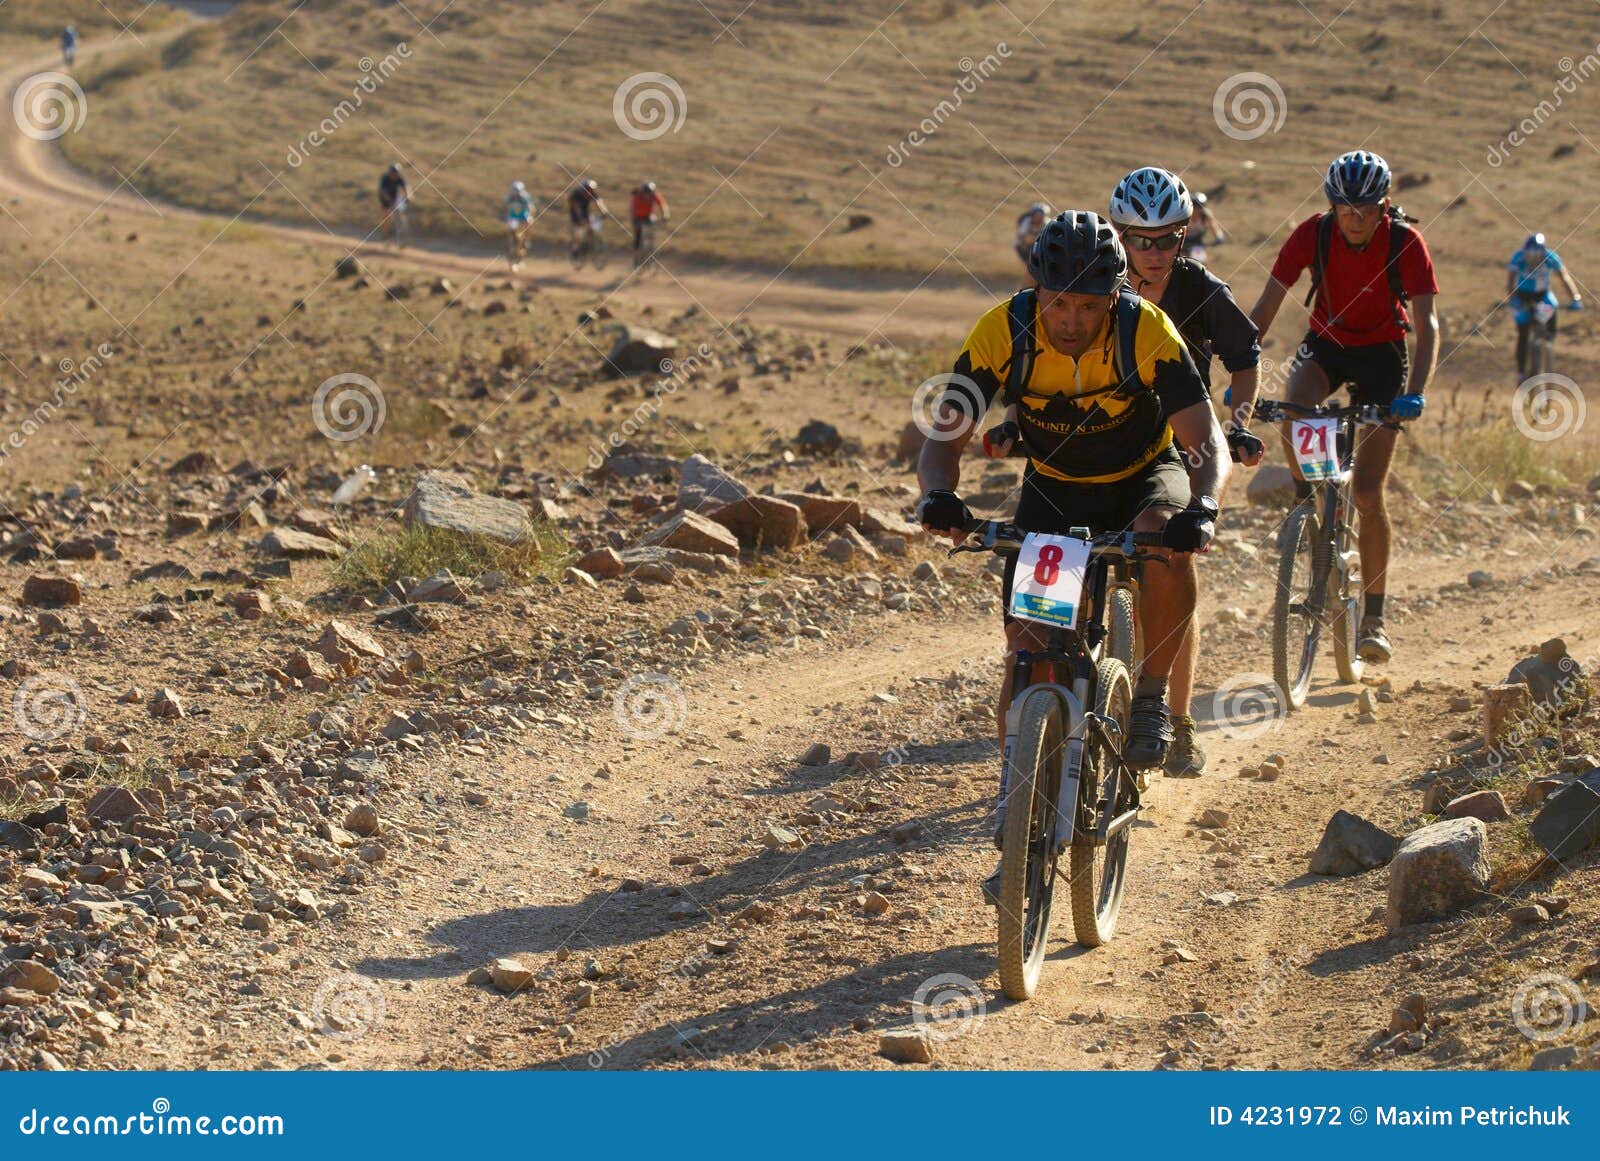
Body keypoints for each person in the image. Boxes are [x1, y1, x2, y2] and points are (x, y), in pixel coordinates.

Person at [918, 211, 1229, 901]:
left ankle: (1148, 697)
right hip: (1056, 491)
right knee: (1027, 646)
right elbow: (944, 436)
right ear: (1039, 290)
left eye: (1087, 306)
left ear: (1114, 299)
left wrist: (1203, 505)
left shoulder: (1146, 329)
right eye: (1057, 302)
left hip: (1144, 476)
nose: (1068, 319)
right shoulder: (1005, 328)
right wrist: (940, 493)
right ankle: (1017, 817)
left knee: (1164, 541)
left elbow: (1205, 439)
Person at [1247, 150, 1437, 665]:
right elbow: (1266, 305)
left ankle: (1372, 617)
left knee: (1371, 490)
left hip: (1382, 355)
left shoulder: (1405, 242)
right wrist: (1243, 373)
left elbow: (1428, 327)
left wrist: (1413, 394)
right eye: (1344, 208)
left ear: (1384, 206)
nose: (1354, 218)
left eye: (1366, 208)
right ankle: (1307, 503)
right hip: (1326, 344)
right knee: (1294, 408)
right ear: (1331, 206)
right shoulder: (1313, 233)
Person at [1110, 166, 1262, 776]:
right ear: (1119, 237)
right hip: (1109, 444)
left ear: (1185, 234)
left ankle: (1177, 723)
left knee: (1172, 560)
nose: (1153, 252)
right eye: (1139, 240)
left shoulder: (1200, 288)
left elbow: (1246, 358)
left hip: (1180, 446)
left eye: (1167, 238)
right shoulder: (1097, 288)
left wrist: (1242, 421)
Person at [1505, 232, 1582, 381]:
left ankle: (1546, 346)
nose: (1533, 259)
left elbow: (1564, 277)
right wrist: (1512, 299)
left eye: (1537, 256)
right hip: (1522, 296)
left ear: (1543, 253)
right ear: (1525, 253)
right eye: (1530, 255)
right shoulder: (1518, 258)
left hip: (1542, 296)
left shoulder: (1550, 258)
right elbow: (1510, 282)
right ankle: (1521, 371)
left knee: (1551, 307)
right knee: (1523, 332)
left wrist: (1575, 298)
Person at [629, 180, 669, 264]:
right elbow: (632, 209)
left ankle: (651, 245)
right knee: (638, 238)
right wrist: (634, 221)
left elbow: (662, 205)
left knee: (651, 232)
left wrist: (665, 215)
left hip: (648, 216)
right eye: (646, 193)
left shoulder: (654, 195)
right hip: (637, 217)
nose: (647, 194)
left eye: (649, 193)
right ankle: (635, 259)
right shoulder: (637, 196)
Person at [568, 178, 606, 262]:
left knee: (591, 228)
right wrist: (580, 219)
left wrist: (603, 211)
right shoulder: (576, 194)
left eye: (592, 189)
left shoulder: (592, 193)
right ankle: (575, 251)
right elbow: (576, 207)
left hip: (585, 213)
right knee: (578, 232)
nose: (590, 191)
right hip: (575, 214)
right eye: (589, 189)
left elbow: (599, 202)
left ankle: (592, 245)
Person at [1181, 191, 1225, 261]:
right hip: (1182, 241)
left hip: (1197, 241)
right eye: (1195, 205)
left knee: (1199, 260)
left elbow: (1214, 227)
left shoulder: (1206, 216)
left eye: (1200, 206)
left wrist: (1219, 236)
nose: (1197, 209)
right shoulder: (1184, 215)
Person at [1014, 202, 1051, 275]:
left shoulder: (1047, 224)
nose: (1038, 218)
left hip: (1040, 246)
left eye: (1041, 216)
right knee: (1029, 261)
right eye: (1036, 216)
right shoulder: (1026, 222)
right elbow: (1021, 236)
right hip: (1024, 245)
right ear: (1032, 215)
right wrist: (1024, 244)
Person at [378, 163, 409, 246]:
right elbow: (383, 192)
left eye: (397, 173)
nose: (395, 175)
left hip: (395, 200)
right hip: (385, 201)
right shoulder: (385, 178)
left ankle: (401, 239)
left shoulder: (399, 178)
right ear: (390, 172)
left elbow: (406, 188)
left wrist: (408, 196)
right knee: (385, 218)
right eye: (394, 173)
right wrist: (390, 201)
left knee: (400, 219)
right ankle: (386, 235)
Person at [505, 180, 533, 268]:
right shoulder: (509, 198)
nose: (516, 193)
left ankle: (526, 239)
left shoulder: (525, 197)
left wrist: (530, 214)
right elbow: (507, 209)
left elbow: (531, 208)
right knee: (512, 228)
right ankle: (513, 240)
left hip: (523, 217)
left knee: (529, 222)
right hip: (514, 217)